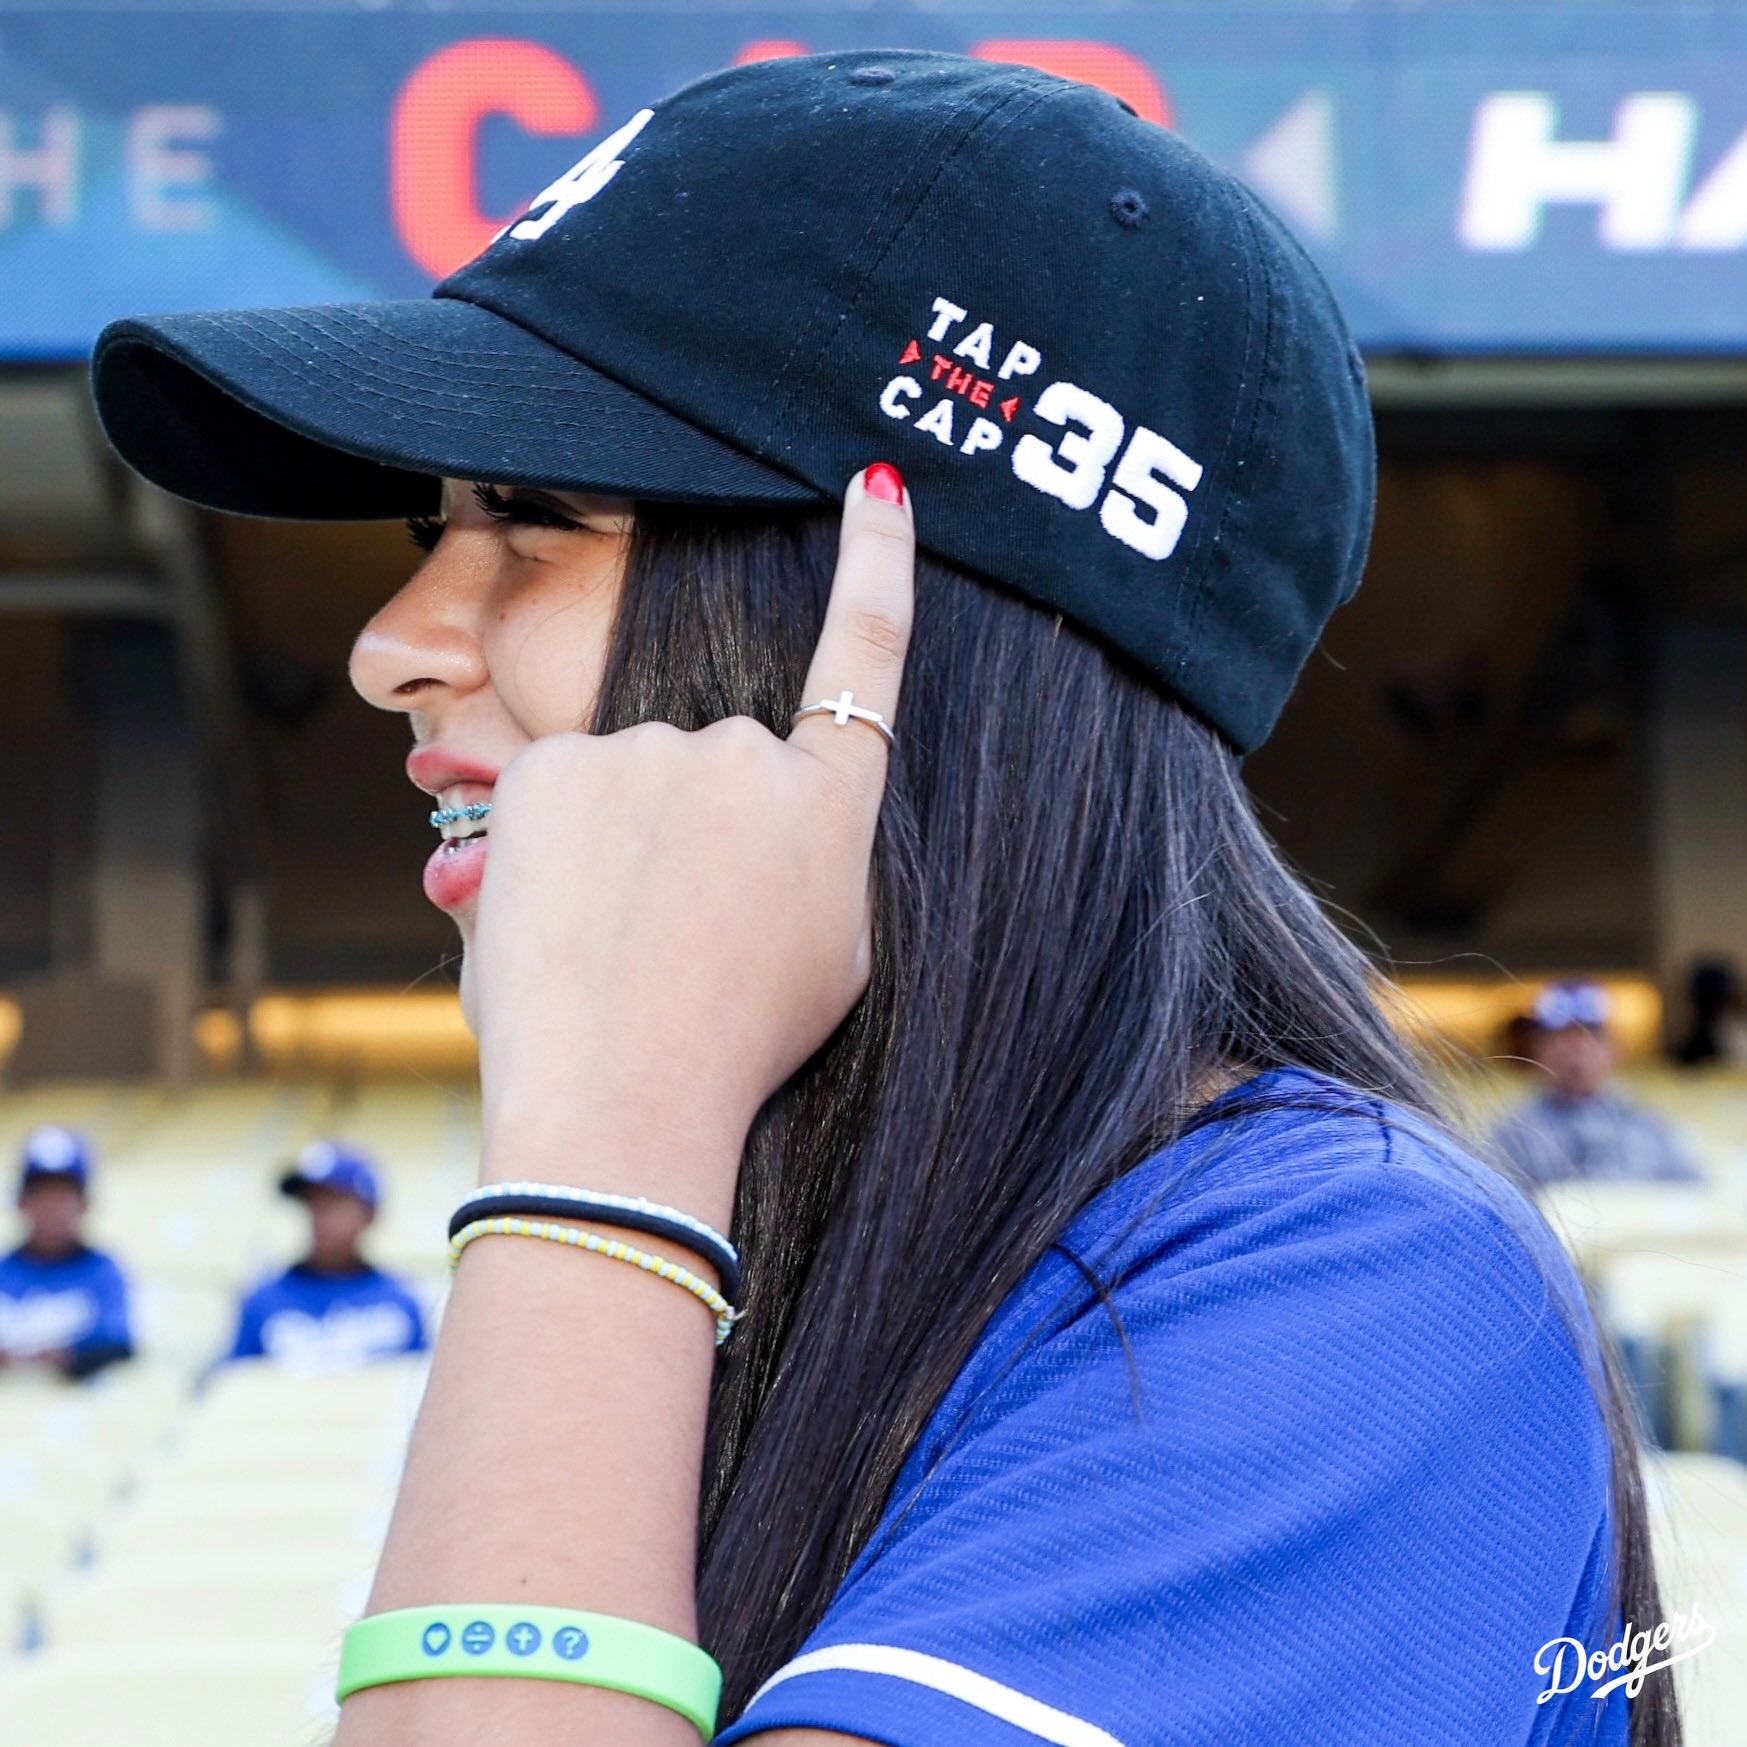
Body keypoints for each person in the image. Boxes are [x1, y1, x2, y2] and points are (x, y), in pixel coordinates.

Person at [89, 48, 1672, 1747]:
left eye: (529, 519)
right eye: (431, 523)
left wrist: (601, 1149)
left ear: (908, 616)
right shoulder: (797, 1234)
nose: (387, 644)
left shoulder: (1356, 1283)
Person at [226, 1141, 427, 1369]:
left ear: (369, 1213)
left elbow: (420, 1385)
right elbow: (235, 1387)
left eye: (334, 1202)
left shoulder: (401, 1300)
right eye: (311, 1202)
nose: (318, 1214)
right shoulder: (262, 1300)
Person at [1492, 980, 1703, 1189]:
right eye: (1562, 1037)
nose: (1576, 1049)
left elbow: (1693, 1192)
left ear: (1614, 1048)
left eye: (1590, 1035)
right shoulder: (1513, 1132)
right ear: (1538, 1050)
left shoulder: (1647, 1124)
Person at [0, 1126, 133, 1380]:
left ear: (84, 1203)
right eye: (41, 1195)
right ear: (21, 1202)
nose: (52, 1208)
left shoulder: (104, 1270)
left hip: (79, 1413)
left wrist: (64, 1358)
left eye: (63, 1196)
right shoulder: (2, 1270)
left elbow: (118, 1343)